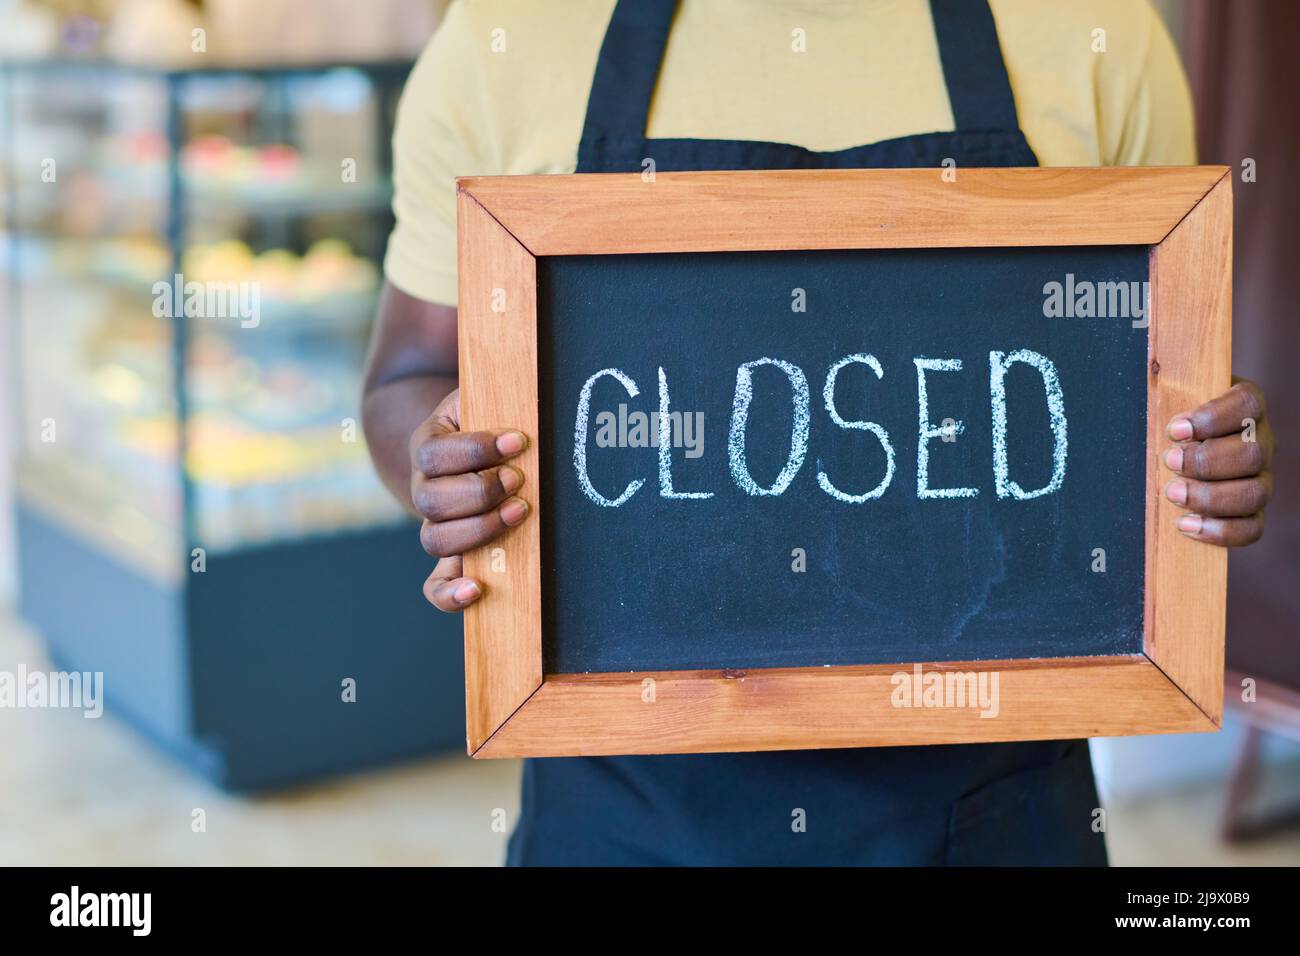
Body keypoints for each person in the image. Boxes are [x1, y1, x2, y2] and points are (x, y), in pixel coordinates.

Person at [362, 0, 1275, 865]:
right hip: (620, 814)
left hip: (996, 813)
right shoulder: (506, 39)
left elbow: (1151, 388)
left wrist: (1204, 464)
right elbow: (406, 382)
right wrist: (441, 467)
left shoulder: (1096, 35)